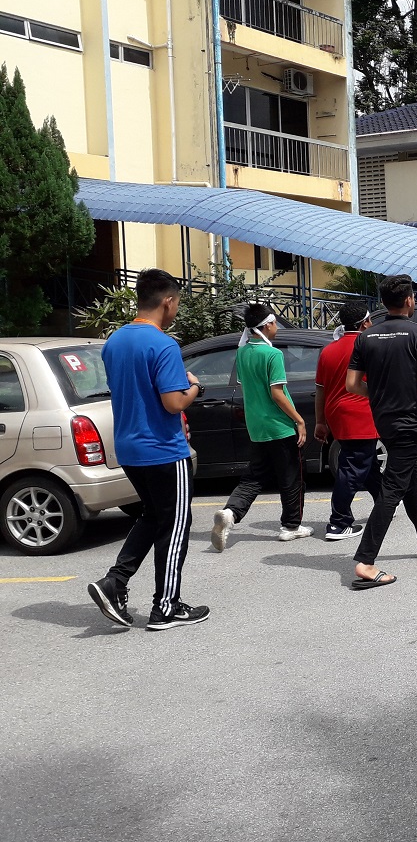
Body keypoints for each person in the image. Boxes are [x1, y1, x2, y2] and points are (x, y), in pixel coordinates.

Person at [88, 268, 208, 630]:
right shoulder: (163, 343)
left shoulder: (115, 342)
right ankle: (166, 607)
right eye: (177, 303)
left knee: (152, 517)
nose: (176, 310)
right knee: (174, 526)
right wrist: (195, 388)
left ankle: (114, 582)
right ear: (168, 301)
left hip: (129, 448)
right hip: (164, 449)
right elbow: (173, 402)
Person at [343, 275, 417, 590]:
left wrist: (376, 396)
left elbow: (352, 384)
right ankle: (365, 560)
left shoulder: (366, 336)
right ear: (409, 300)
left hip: (384, 421)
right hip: (409, 421)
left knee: (407, 477)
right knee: (393, 486)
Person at [210, 303, 309, 552]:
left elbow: (247, 388)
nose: (276, 328)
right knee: (291, 477)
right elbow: (277, 393)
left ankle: (231, 512)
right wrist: (299, 419)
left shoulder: (242, 353)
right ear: (266, 325)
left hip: (256, 427)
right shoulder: (272, 354)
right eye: (275, 323)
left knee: (254, 477)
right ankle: (291, 526)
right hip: (279, 426)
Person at [313, 302, 382, 542]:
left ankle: (385, 504)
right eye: (370, 320)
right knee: (352, 468)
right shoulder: (368, 346)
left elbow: (320, 390)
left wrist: (320, 421)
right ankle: (338, 523)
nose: (372, 325)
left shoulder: (328, 350)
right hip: (361, 414)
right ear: (364, 323)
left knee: (367, 462)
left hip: (336, 416)